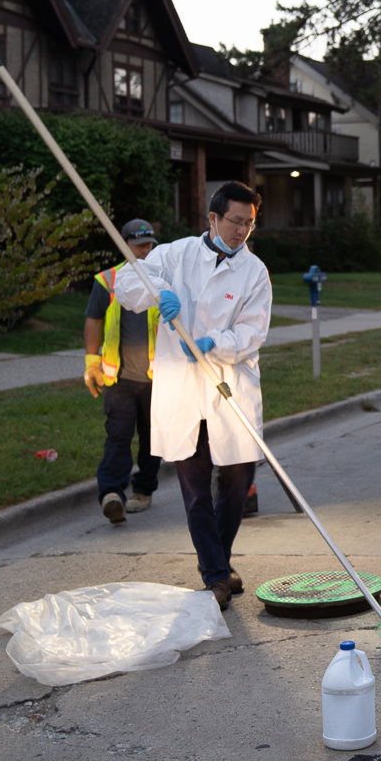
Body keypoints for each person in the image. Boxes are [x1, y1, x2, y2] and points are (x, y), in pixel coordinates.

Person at [111, 182, 272, 610]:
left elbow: (253, 332)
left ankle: (220, 558)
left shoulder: (254, 272)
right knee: (196, 488)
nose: (241, 231)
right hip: (182, 390)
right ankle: (216, 576)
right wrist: (156, 291)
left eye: (249, 224)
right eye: (235, 221)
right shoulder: (173, 254)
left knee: (238, 481)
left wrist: (210, 343)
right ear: (213, 218)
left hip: (228, 387)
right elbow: (127, 282)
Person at [84, 219, 163, 524]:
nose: (145, 251)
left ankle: (143, 491)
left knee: (153, 438)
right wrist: (92, 362)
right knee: (117, 436)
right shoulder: (108, 281)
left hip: (157, 376)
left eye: (149, 245)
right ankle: (111, 495)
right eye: (139, 244)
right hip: (119, 377)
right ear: (124, 244)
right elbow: (94, 319)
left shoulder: (161, 277)